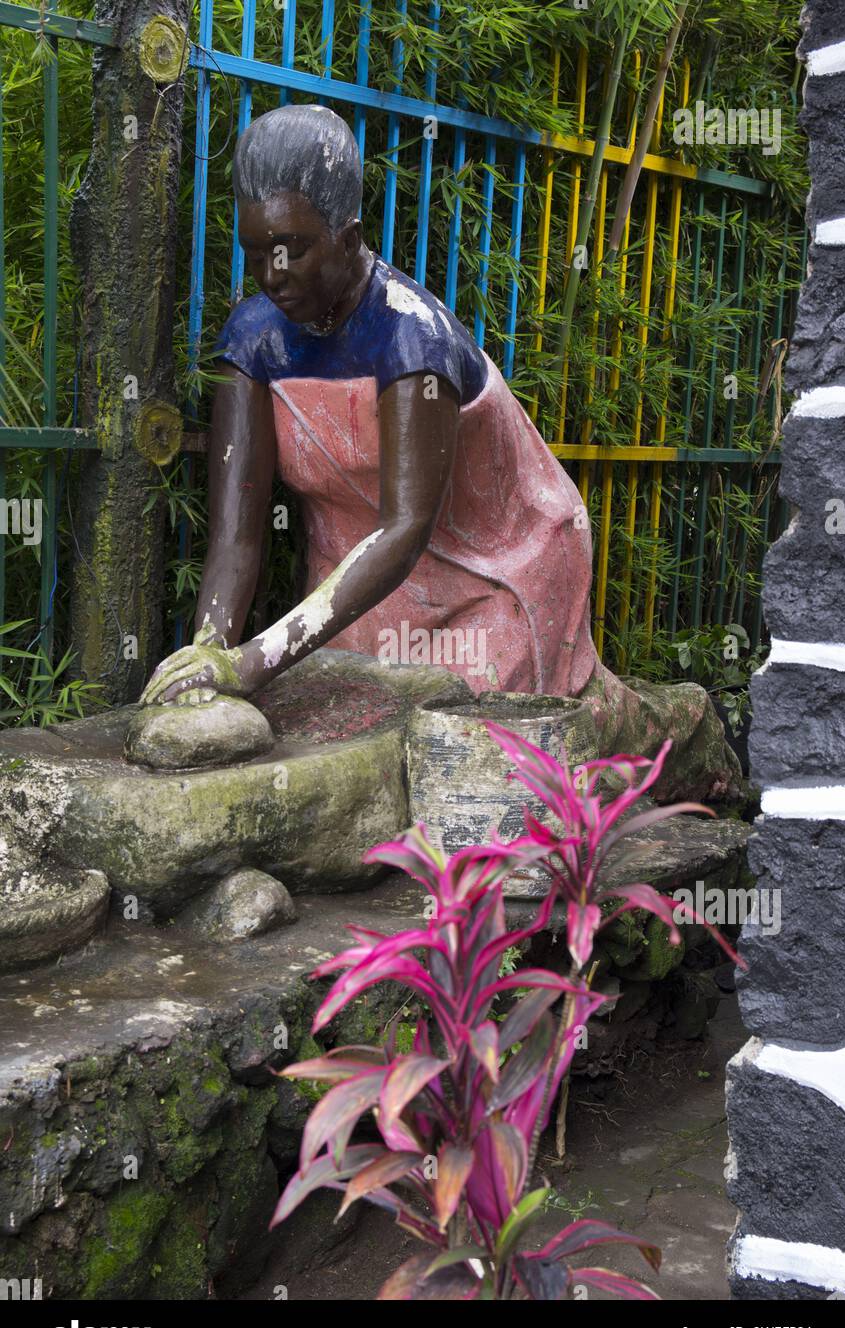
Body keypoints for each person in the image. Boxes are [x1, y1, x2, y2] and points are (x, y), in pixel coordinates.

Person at [142, 104, 740, 804]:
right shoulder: (251, 339)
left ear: (350, 237)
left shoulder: (411, 337)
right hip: (359, 585)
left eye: (294, 247)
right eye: (255, 250)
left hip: (494, 569)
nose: (272, 273)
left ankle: (686, 731)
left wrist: (256, 660)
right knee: (360, 757)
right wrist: (210, 653)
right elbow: (237, 534)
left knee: (496, 769)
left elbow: (404, 528)